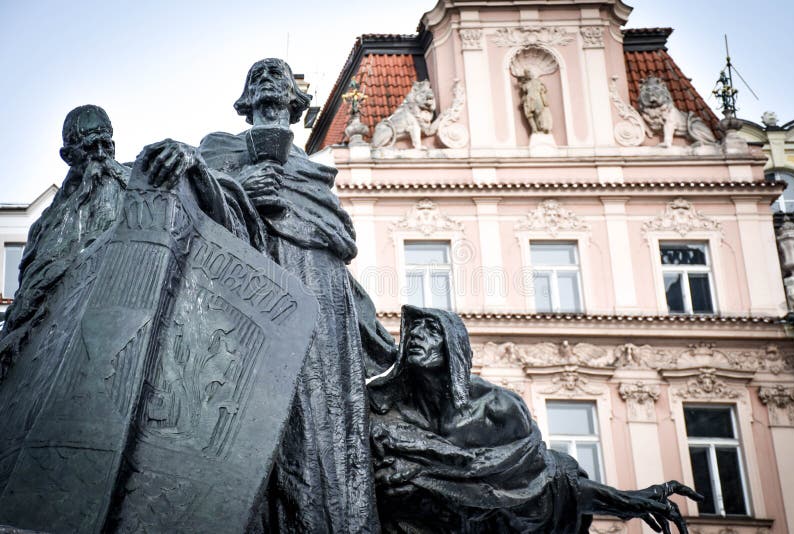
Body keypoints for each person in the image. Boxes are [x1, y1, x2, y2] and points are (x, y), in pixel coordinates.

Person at [140, 58, 380, 533]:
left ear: (295, 102)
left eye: (279, 77)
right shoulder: (217, 148)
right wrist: (236, 186)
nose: (269, 81)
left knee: (321, 413)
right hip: (246, 291)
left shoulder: (312, 172)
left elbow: (339, 234)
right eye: (258, 77)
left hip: (315, 286)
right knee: (245, 410)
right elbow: (187, 201)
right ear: (246, 102)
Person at [369, 305, 702, 533]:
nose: (416, 335)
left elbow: (550, 484)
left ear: (454, 346)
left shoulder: (498, 409)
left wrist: (627, 500)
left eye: (431, 329)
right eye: (413, 328)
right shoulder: (388, 417)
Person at [0, 104, 129, 378]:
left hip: (112, 330)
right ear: (68, 155)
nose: (102, 156)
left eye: (108, 145)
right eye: (91, 147)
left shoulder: (131, 184)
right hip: (50, 346)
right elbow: (27, 296)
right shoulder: (44, 227)